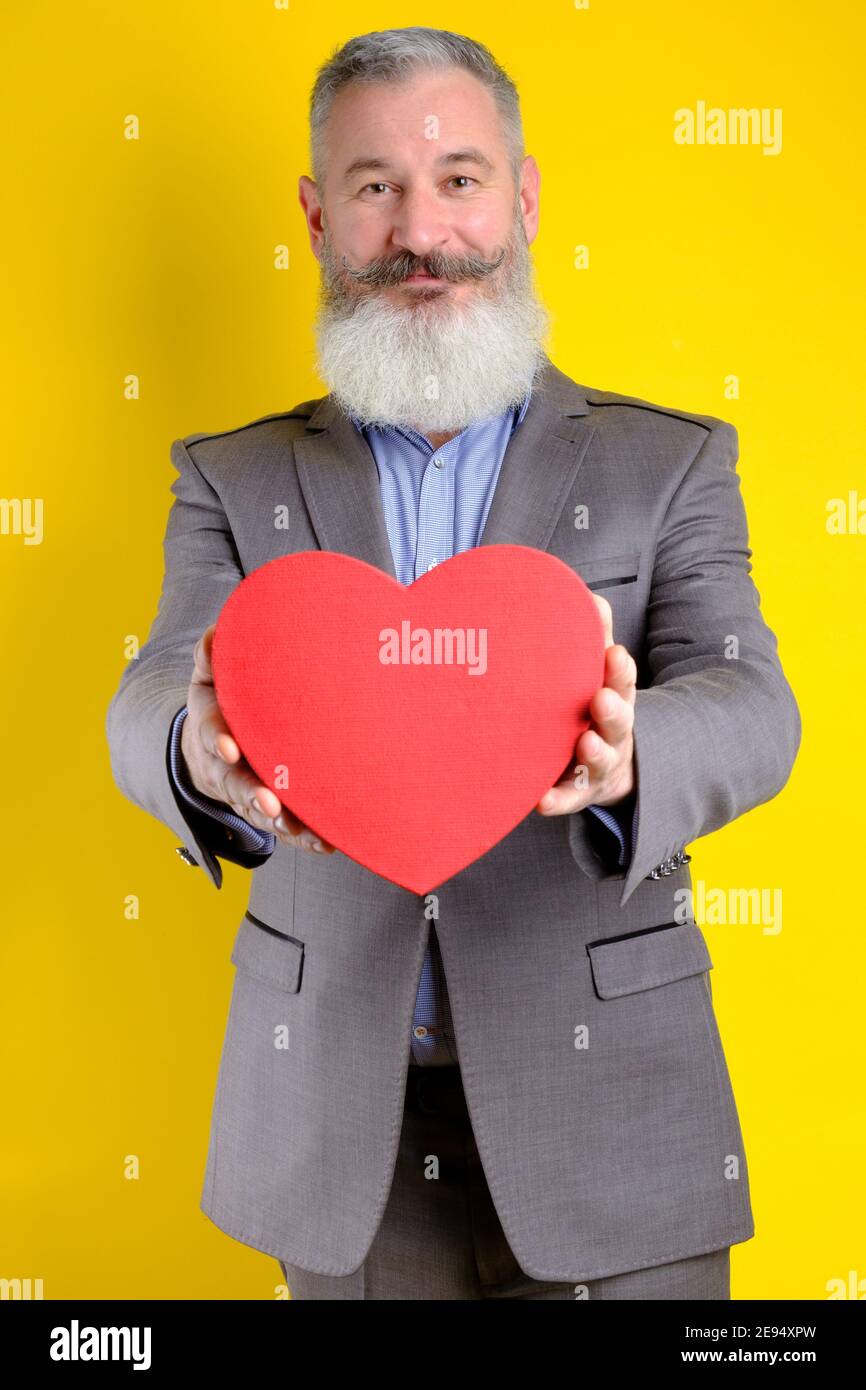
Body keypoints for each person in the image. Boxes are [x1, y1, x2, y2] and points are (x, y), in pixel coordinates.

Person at [106, 26, 801, 1300]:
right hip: (341, 1133)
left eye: (459, 178)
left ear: (523, 198)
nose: (420, 232)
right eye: (375, 186)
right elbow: (153, 685)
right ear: (317, 217)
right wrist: (195, 749)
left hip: (615, 1119)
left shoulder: (670, 463)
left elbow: (751, 698)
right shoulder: (233, 476)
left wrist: (638, 748)